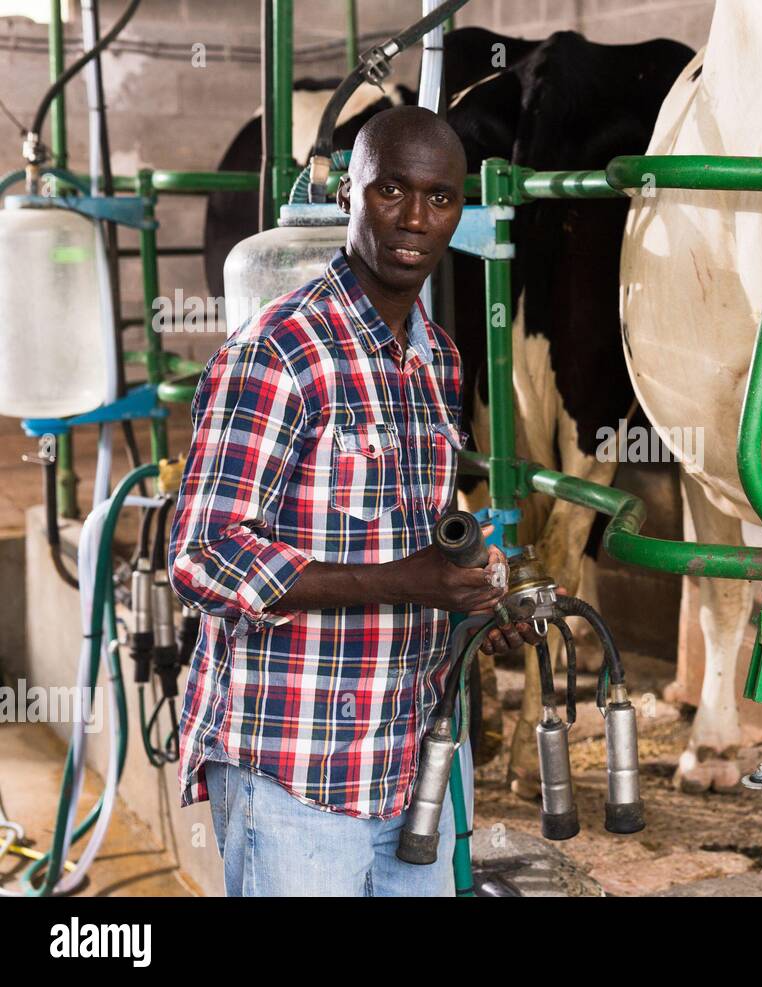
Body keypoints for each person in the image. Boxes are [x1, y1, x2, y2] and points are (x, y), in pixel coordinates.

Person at [169, 106, 539, 896]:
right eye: (391, 191)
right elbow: (203, 556)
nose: (415, 219)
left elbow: (422, 547)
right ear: (347, 194)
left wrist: (479, 602)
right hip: (297, 768)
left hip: (415, 762)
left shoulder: (436, 358)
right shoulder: (278, 353)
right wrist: (409, 582)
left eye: (440, 199)